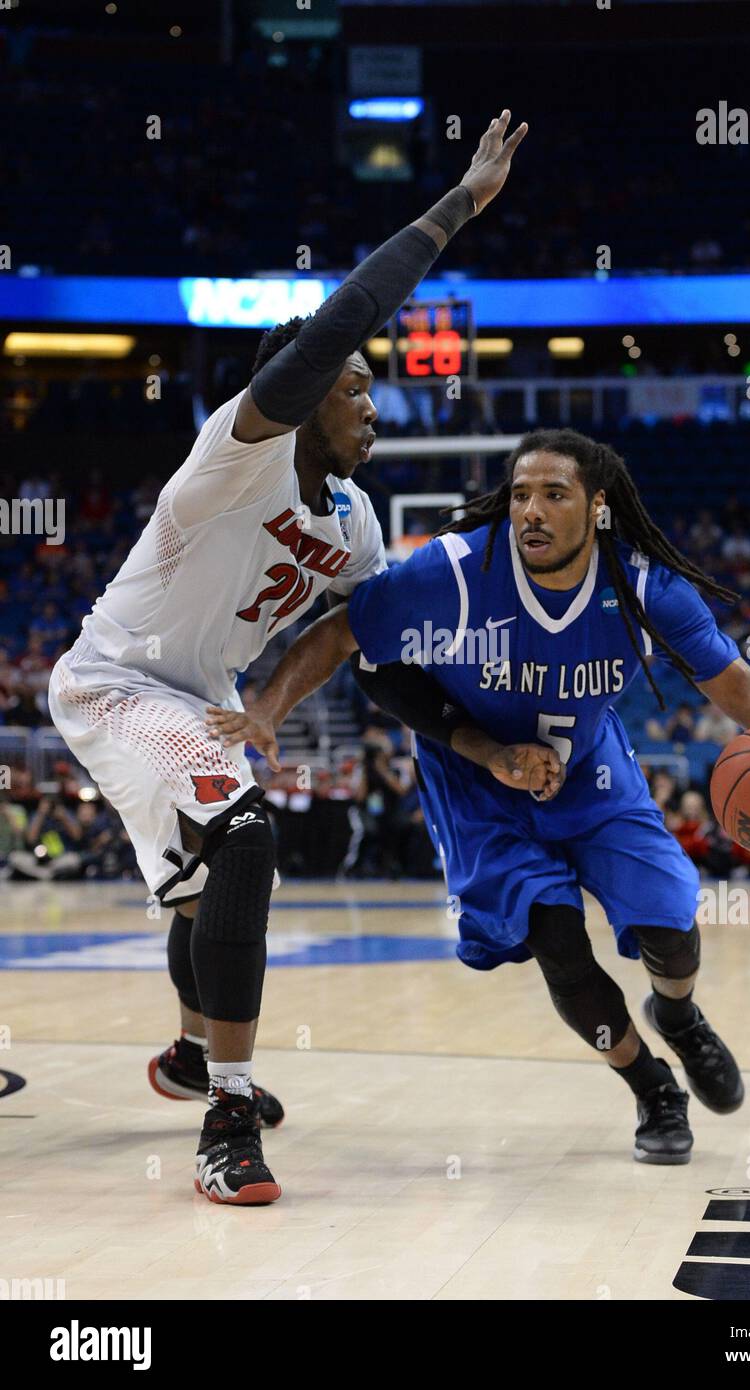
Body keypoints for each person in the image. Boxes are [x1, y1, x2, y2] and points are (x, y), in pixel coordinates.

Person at [49, 110, 533, 1204]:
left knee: (201, 893)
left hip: (202, 699)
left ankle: (187, 1053)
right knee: (249, 834)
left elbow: (355, 643)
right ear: (304, 393)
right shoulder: (239, 450)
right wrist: (457, 206)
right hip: (113, 682)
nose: (373, 399)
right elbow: (349, 311)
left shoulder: (356, 522)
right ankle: (228, 1110)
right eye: (355, 385)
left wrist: (460, 736)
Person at [208, 428, 750, 1164]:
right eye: (520, 494)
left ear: (598, 507)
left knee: (671, 927)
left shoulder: (644, 587)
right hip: (476, 781)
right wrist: (267, 709)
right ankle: (652, 1088)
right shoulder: (454, 570)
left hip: (590, 769)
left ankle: (677, 1014)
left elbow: (742, 693)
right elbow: (343, 635)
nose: (531, 511)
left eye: (554, 494)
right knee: (555, 937)